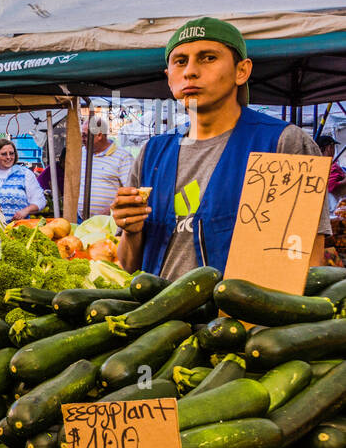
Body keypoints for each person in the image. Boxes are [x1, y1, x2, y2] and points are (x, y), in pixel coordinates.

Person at [113, 17, 331, 279]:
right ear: (169, 78)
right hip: (160, 318)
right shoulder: (152, 154)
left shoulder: (282, 144)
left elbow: (304, 261)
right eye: (180, 61)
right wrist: (131, 230)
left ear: (242, 71)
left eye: (208, 58)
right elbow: (128, 266)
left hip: (241, 318)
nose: (190, 71)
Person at [73, 117, 134, 217]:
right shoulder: (81, 153)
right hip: (81, 219)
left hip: (110, 221)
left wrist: (110, 209)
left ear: (99, 135)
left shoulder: (123, 157)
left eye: (85, 136)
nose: (82, 139)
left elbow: (130, 191)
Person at [0, 138, 46, 222]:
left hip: (18, 228)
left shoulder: (25, 173)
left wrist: (26, 211)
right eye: (4, 154)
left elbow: (40, 200)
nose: (8, 157)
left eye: (11, 153)